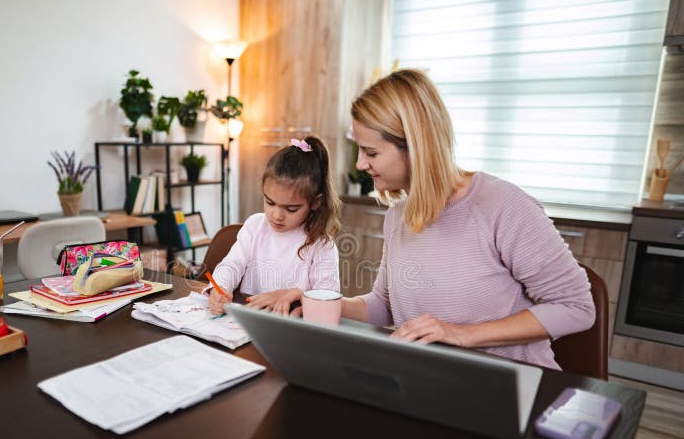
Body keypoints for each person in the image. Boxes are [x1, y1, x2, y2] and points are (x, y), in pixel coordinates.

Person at [343, 69, 595, 369]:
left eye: (371, 152)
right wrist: (321, 304)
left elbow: (577, 307)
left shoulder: (502, 205)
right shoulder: (399, 215)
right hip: (434, 383)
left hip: (510, 388)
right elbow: (384, 306)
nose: (360, 163)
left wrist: (461, 335)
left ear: (416, 146)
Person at [208, 136, 341, 315]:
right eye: (270, 202)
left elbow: (327, 300)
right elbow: (232, 264)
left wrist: (293, 295)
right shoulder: (254, 225)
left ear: (315, 202)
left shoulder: (322, 245)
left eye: (291, 209)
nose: (277, 216)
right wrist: (220, 288)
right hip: (249, 322)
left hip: (292, 329)